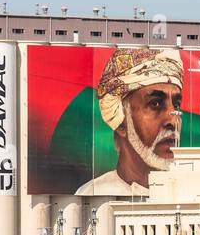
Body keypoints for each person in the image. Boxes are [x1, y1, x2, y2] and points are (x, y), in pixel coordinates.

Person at [76, 47, 184, 196]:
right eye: (156, 104)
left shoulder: (193, 194)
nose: (173, 121)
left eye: (176, 106)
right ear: (121, 121)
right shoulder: (93, 194)